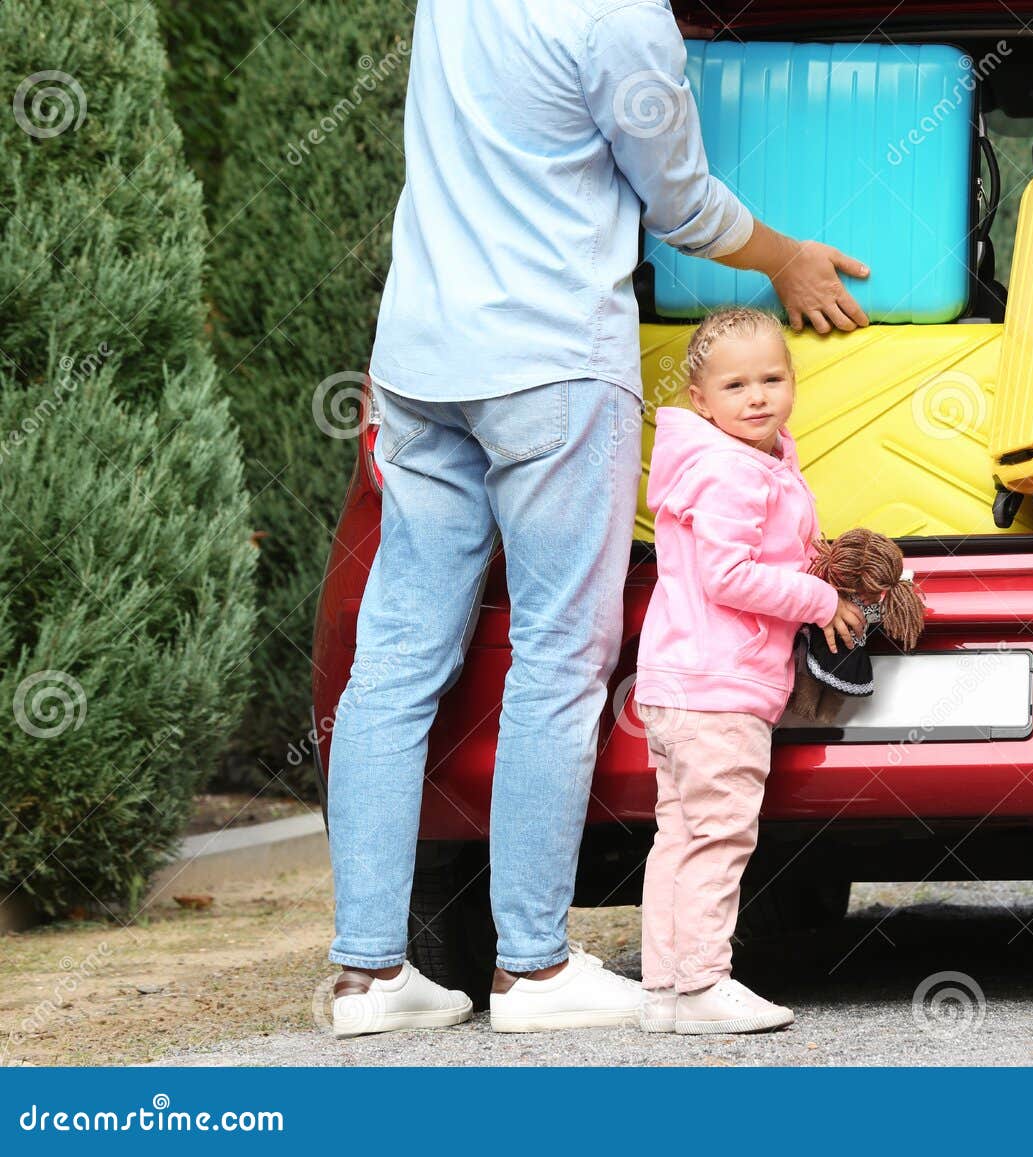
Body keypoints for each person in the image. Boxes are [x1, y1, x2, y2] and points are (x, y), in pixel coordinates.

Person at [325, 0, 869, 1038]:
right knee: (561, 652)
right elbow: (682, 204)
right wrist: (785, 257)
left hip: (421, 356)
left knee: (391, 662)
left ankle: (368, 973)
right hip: (548, 363)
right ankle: (531, 969)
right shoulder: (621, 21)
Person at [632, 307, 865, 1034]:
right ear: (700, 400)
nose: (758, 396)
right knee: (721, 833)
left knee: (682, 832)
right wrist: (819, 595)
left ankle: (667, 989)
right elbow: (729, 574)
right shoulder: (732, 471)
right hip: (718, 688)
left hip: (681, 682)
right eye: (735, 385)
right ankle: (703, 981)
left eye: (772, 377)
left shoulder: (741, 460)